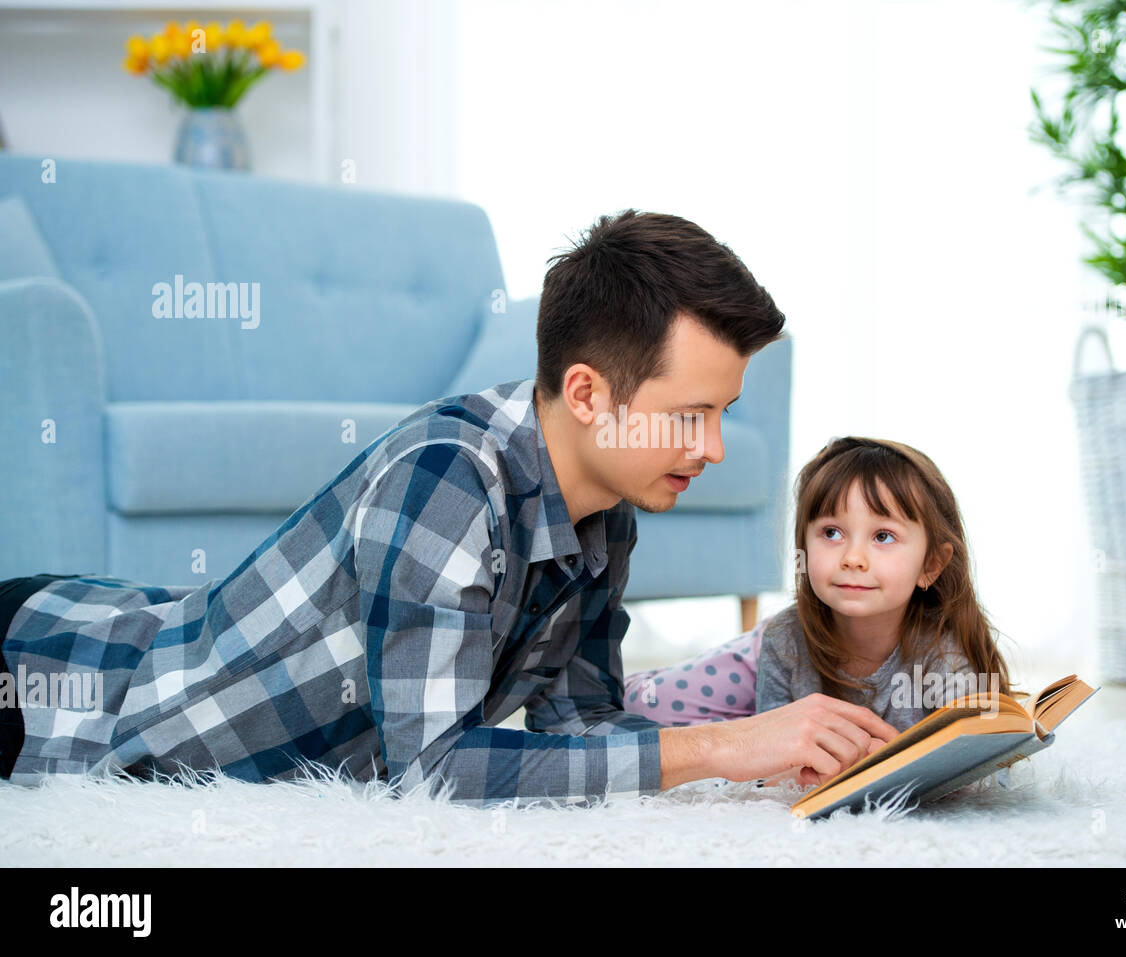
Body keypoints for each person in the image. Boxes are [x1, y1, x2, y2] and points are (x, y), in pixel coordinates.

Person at [0, 211, 898, 806]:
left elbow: (579, 720)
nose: (711, 447)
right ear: (587, 393)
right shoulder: (447, 476)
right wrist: (722, 747)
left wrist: (776, 756)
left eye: (723, 415)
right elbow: (432, 767)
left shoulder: (607, 511)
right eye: (689, 414)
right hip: (61, 689)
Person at [622, 436, 1017, 789]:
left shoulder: (941, 655)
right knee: (636, 704)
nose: (853, 558)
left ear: (931, 565)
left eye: (883, 536)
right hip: (759, 657)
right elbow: (770, 760)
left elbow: (988, 768)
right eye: (832, 533)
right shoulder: (783, 641)